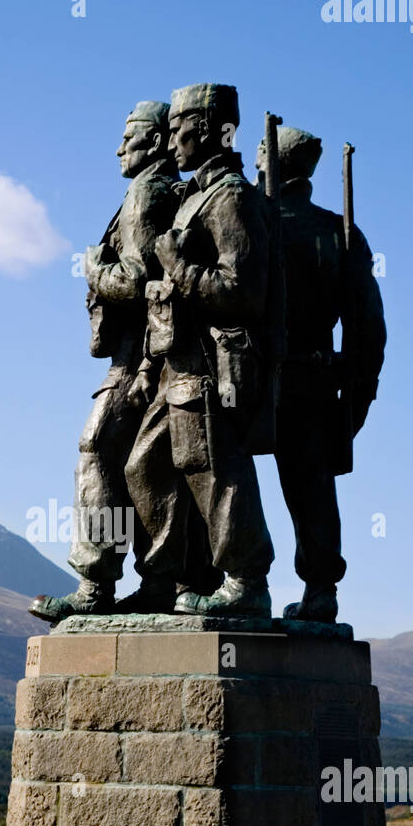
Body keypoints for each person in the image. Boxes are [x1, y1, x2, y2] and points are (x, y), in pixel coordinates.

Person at [29, 101, 185, 623]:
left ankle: (96, 583)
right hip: (156, 357)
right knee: (146, 467)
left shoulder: (146, 193)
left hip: (140, 358)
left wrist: (94, 268)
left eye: (130, 136)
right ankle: (158, 581)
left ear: (158, 141)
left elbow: (139, 281)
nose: (120, 147)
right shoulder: (162, 191)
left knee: (97, 447)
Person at [124, 82, 275, 616]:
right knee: (145, 467)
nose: (170, 136)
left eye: (178, 126)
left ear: (208, 129)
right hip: (176, 361)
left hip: (213, 363)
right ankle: (161, 581)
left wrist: (178, 266)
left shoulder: (230, 195)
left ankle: (247, 582)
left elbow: (243, 292)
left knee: (215, 468)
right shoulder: (195, 196)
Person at [258, 125, 386, 622]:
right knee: (312, 487)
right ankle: (320, 589)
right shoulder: (341, 233)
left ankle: (227, 580)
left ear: (274, 161)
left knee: (223, 476)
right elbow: (368, 330)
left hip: (251, 376)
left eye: (261, 154)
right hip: (314, 380)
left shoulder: (254, 217)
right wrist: (358, 395)